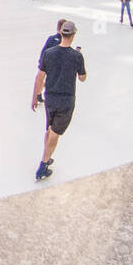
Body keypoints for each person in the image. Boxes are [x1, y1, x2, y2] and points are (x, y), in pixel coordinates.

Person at [31, 19, 87, 181]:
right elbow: (82, 78)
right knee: (54, 134)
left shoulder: (49, 53)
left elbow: (39, 77)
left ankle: (46, 156)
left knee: (49, 129)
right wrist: (81, 61)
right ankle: (43, 166)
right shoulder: (77, 56)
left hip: (50, 98)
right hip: (66, 101)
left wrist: (35, 96)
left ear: (61, 33)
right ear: (73, 35)